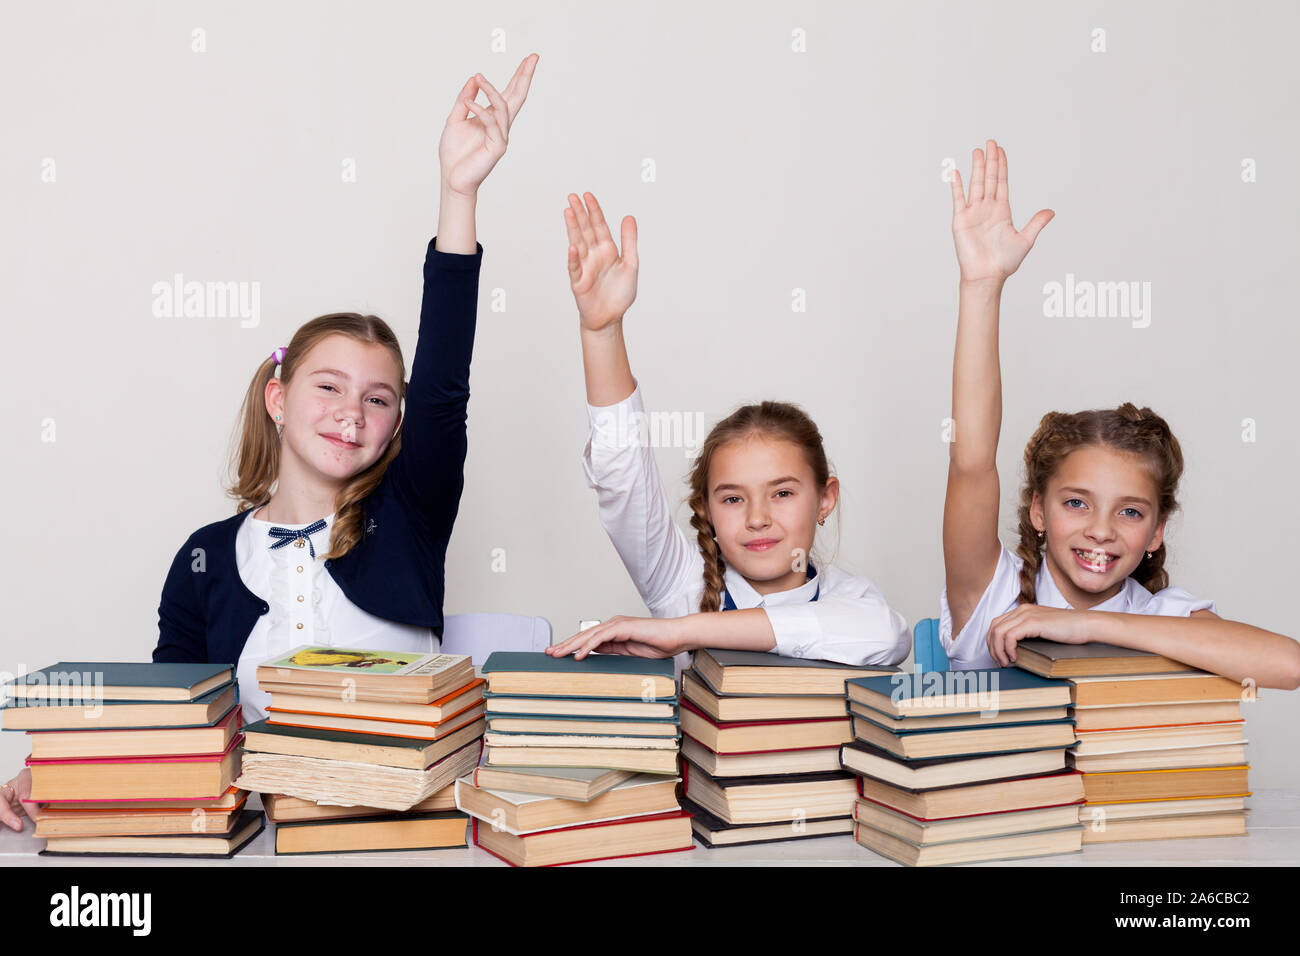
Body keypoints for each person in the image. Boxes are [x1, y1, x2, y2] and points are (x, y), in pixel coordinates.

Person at [0, 55, 539, 833]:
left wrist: (459, 192)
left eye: (378, 399)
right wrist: (56, 766)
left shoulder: (412, 513)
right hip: (266, 838)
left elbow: (447, 376)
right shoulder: (205, 559)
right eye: (328, 388)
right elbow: (173, 715)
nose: (351, 412)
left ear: (397, 424)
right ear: (278, 399)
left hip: (403, 836)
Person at [939, 138, 1300, 690]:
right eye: (1076, 502)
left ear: (1156, 531)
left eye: (1130, 513)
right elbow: (971, 462)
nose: (1101, 531)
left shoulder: (1158, 614)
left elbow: (1287, 665)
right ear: (1037, 510)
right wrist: (982, 286)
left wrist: (1087, 626)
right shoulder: (994, 593)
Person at [546, 192, 909, 674]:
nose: (757, 518)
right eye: (733, 499)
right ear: (708, 510)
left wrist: (679, 632)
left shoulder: (853, 599)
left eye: (781, 492)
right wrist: (602, 332)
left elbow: (885, 635)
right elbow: (623, 477)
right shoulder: (683, 585)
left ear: (825, 499)